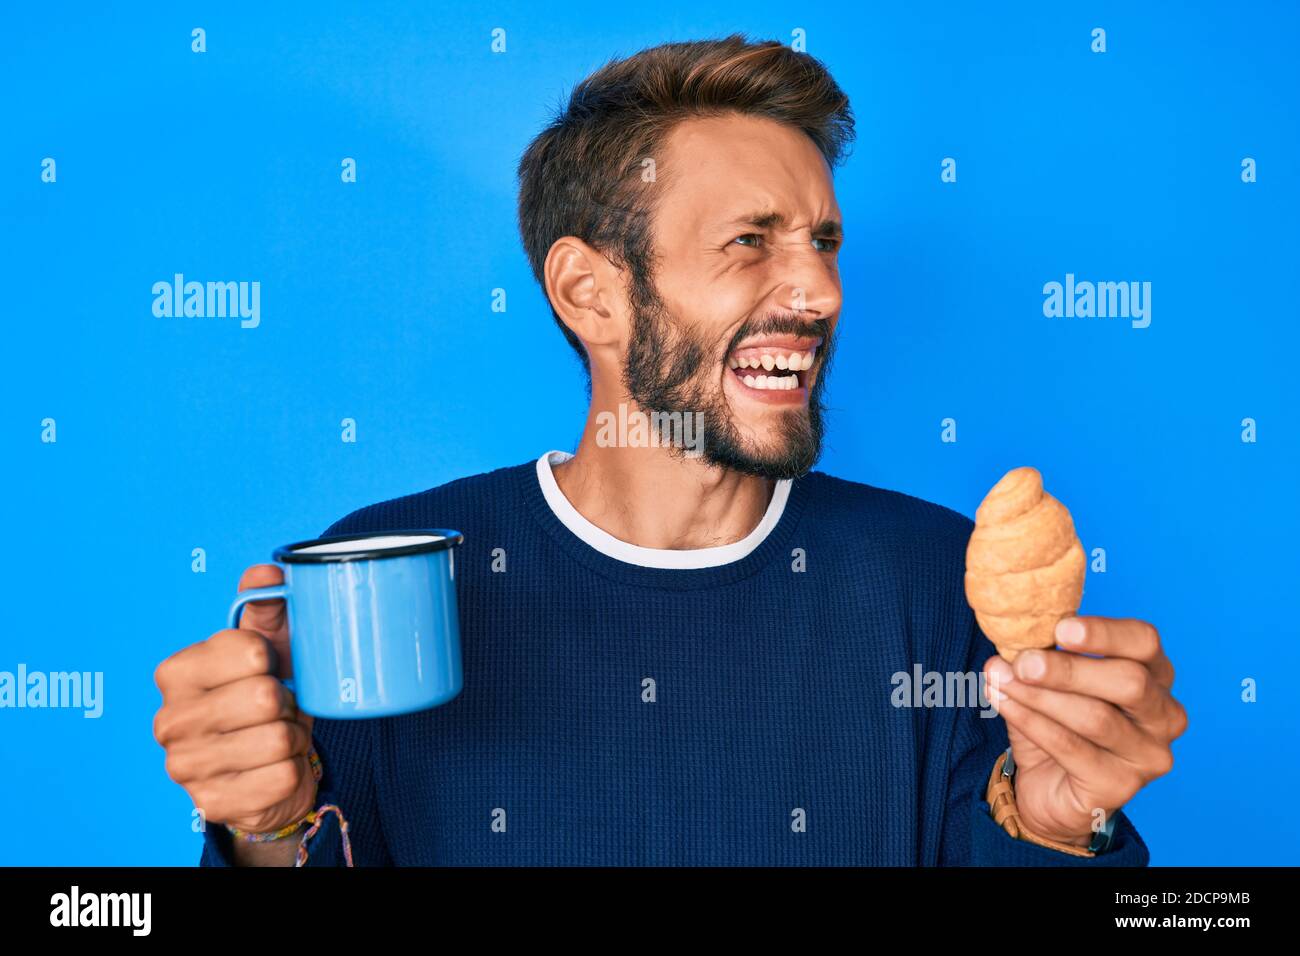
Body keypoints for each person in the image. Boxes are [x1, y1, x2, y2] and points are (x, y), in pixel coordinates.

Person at [152, 35, 1185, 866]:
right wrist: (264, 830)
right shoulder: (383, 581)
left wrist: (1055, 828)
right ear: (589, 293)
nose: (819, 291)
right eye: (751, 240)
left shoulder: (932, 580)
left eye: (823, 242)